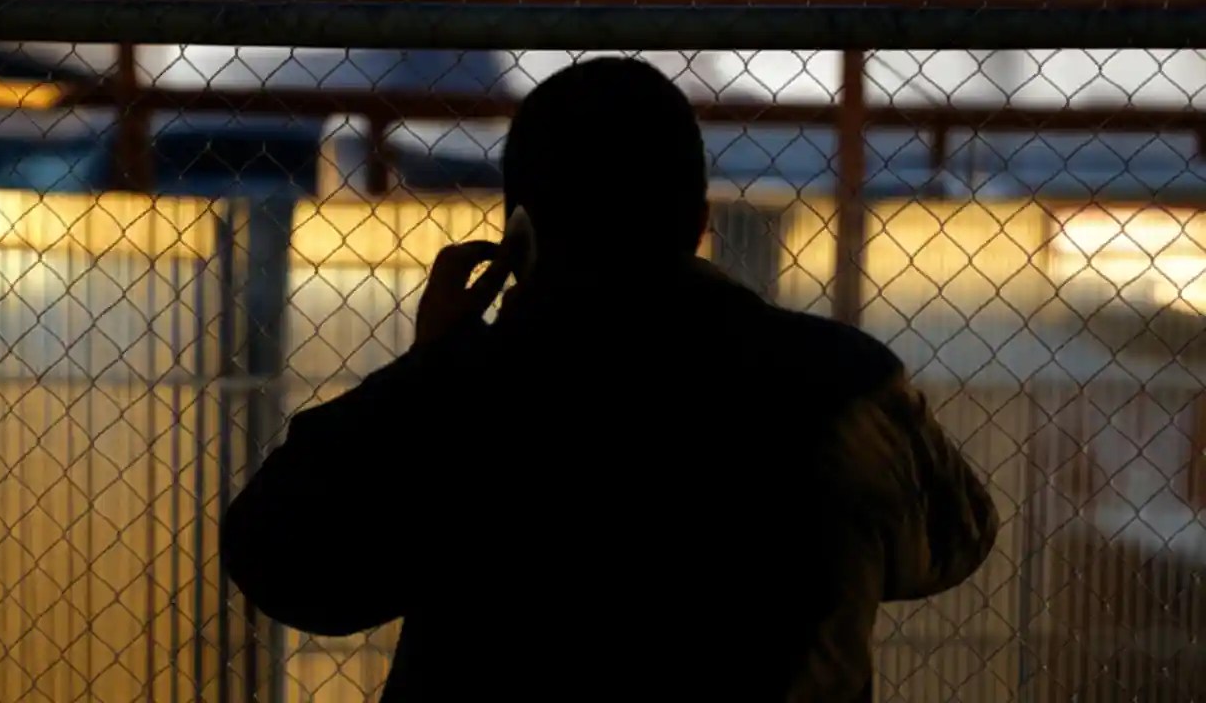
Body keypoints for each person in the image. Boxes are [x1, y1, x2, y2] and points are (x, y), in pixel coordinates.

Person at [221, 57, 1000, 702]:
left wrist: (431, 365)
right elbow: (957, 538)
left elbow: (285, 563)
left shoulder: (467, 398)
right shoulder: (844, 383)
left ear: (518, 235)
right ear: (700, 222)